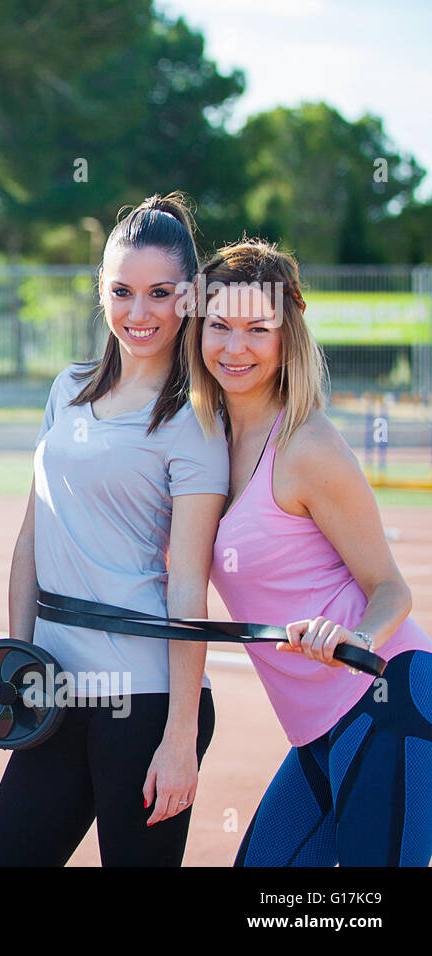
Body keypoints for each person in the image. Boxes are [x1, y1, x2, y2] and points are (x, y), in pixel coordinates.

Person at [0, 194, 227, 867]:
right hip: (54, 687)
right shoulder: (70, 387)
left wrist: (179, 738)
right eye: (121, 291)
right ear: (101, 290)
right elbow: (33, 535)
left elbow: (187, 583)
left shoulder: (196, 421)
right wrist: (16, 661)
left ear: (190, 296)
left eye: (159, 293)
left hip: (142, 699)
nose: (137, 313)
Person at [188, 239, 432, 866]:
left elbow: (391, 589)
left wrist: (355, 637)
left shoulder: (307, 446)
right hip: (314, 733)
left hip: (387, 700)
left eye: (257, 329)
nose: (235, 347)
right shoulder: (207, 439)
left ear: (285, 337)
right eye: (219, 326)